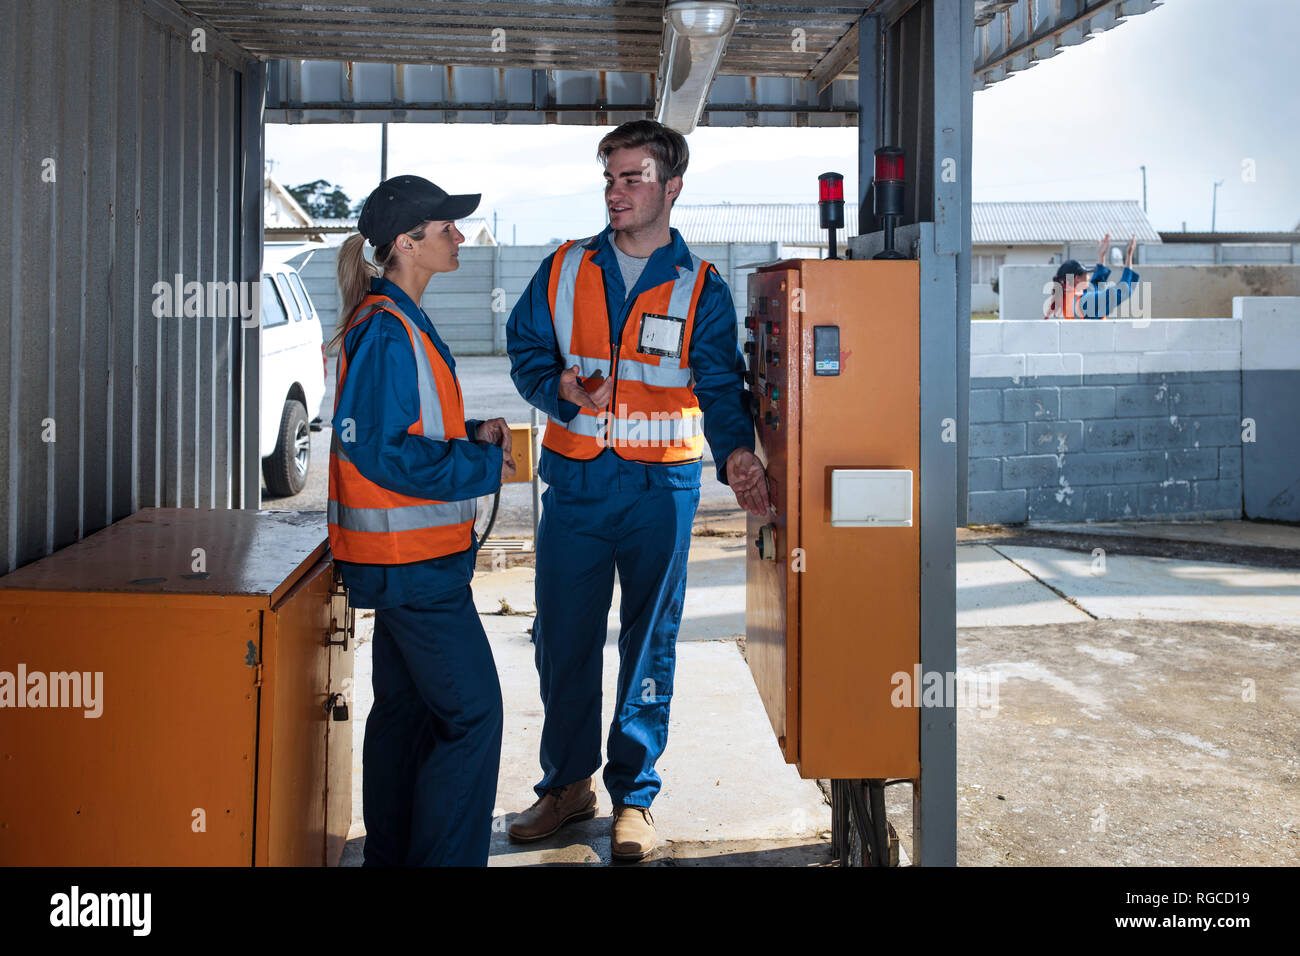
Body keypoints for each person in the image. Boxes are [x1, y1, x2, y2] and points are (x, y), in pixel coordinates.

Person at [504, 119, 771, 862]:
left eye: (633, 179)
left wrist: (739, 455)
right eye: (610, 179)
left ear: (671, 187)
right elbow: (525, 347)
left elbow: (720, 385)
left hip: (662, 490)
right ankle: (566, 786)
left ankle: (634, 797)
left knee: (648, 644)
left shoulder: (700, 288)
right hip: (579, 488)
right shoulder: (564, 268)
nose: (617, 193)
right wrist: (554, 384)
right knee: (563, 640)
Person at [327, 174, 516, 866]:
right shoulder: (386, 330)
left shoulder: (395, 321)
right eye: (446, 229)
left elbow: (401, 428)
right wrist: (482, 467)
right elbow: (376, 448)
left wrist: (466, 435)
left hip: (407, 565)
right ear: (407, 243)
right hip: (413, 569)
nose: (459, 238)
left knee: (407, 718)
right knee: (472, 719)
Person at [1044, 233, 1140, 319]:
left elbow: (1095, 285)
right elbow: (1123, 291)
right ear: (1077, 279)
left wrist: (1101, 256)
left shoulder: (1068, 299)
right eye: (1086, 274)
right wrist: (1129, 255)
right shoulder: (1084, 303)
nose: (1089, 277)